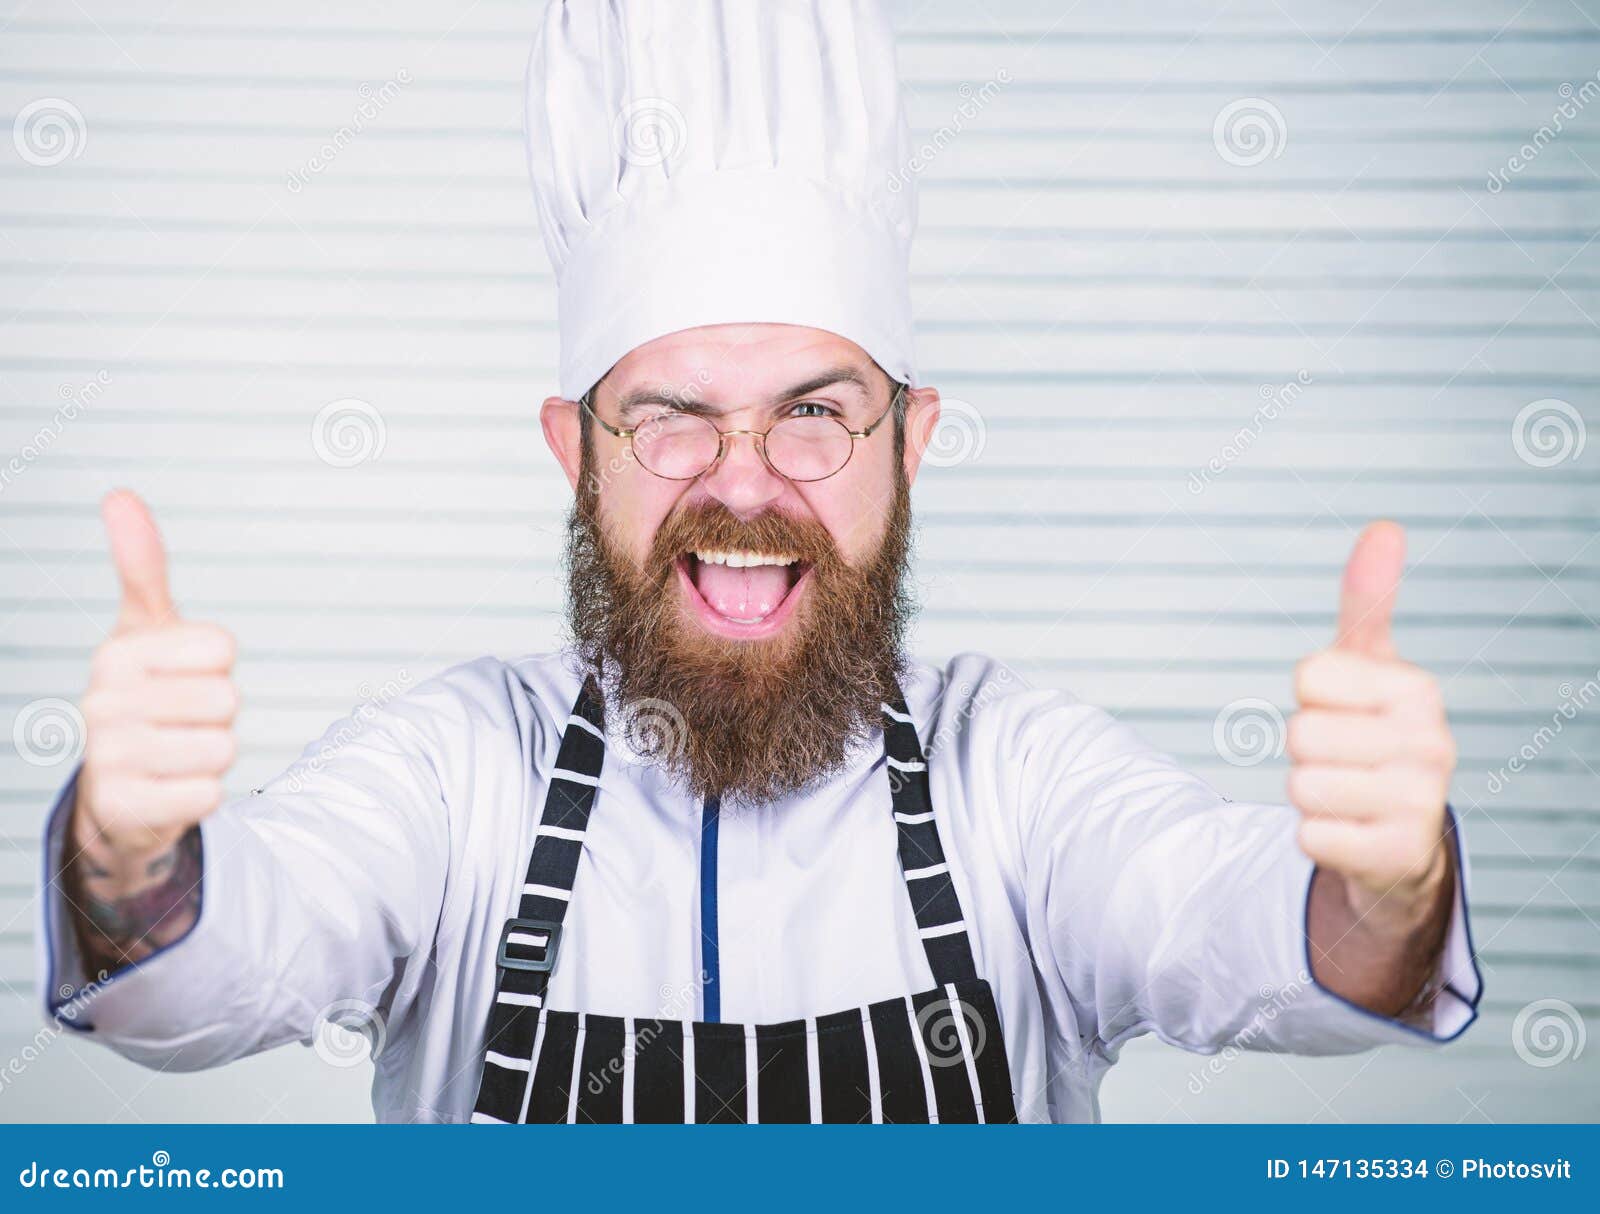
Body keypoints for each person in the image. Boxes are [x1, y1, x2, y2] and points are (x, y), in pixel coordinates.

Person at [36, 0, 1480, 1124]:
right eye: (669, 419)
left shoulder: (1017, 781)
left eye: (813, 414)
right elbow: (217, 973)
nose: (743, 481)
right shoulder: (458, 774)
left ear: (909, 442)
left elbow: (1250, 934)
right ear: (574, 451)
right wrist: (132, 862)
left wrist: (1385, 887)